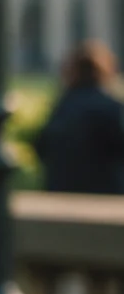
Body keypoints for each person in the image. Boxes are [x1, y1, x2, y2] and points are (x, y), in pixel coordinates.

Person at [34, 39, 124, 195]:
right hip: (104, 196)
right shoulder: (111, 107)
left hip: (60, 193)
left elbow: (41, 147)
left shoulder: (63, 106)